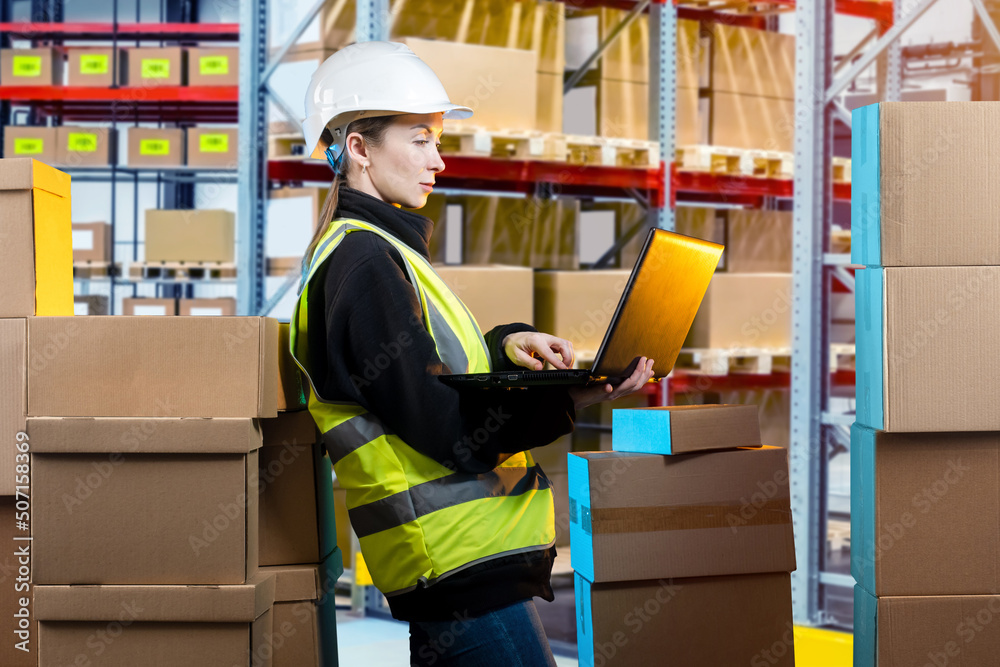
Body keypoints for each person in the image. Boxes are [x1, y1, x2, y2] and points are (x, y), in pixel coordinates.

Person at [289, 41, 655, 667]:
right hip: (455, 567)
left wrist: (506, 344)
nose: (440, 159)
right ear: (358, 148)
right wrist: (565, 397)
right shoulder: (366, 263)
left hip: (460, 565)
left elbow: (424, 373)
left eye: (437, 140)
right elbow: (446, 427)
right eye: (420, 140)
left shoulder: (381, 252)